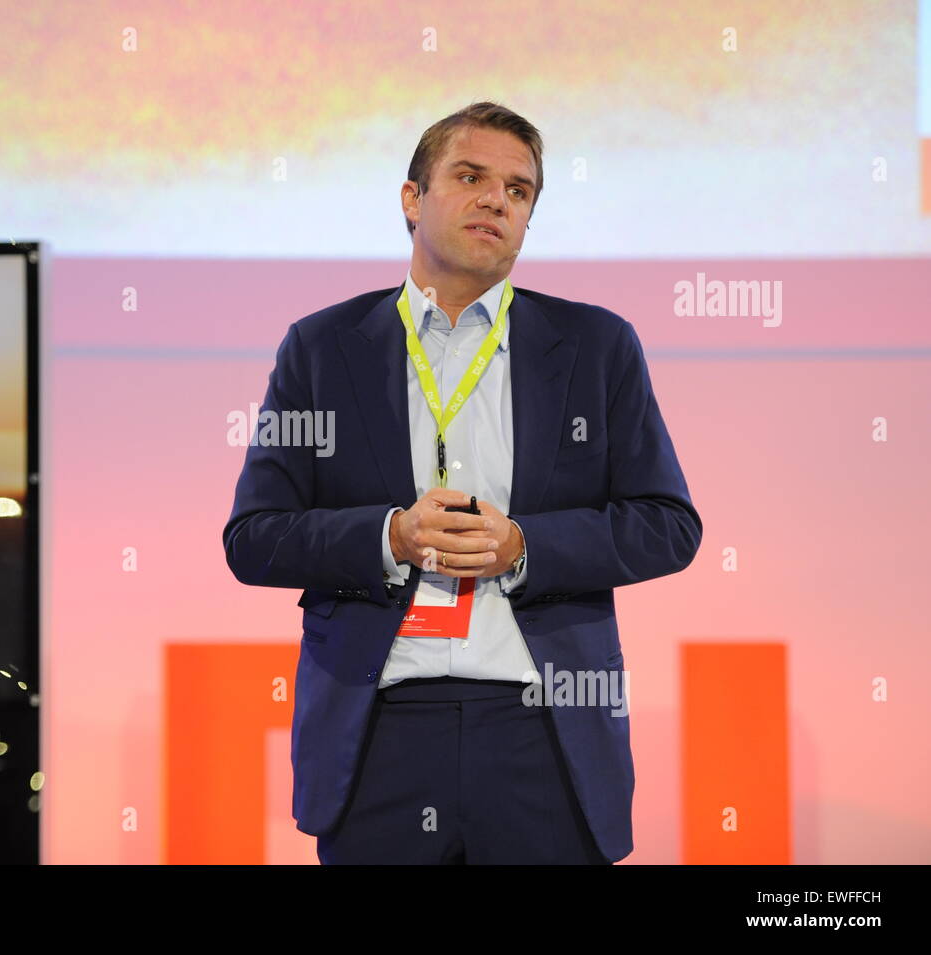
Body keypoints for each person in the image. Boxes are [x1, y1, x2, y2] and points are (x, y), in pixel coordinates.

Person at [222, 102, 701, 864]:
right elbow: (253, 539)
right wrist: (390, 537)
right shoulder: (321, 347)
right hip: (378, 735)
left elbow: (667, 524)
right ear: (412, 199)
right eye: (471, 176)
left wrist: (523, 544)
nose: (497, 200)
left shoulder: (595, 345)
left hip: (542, 735)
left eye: (519, 190)